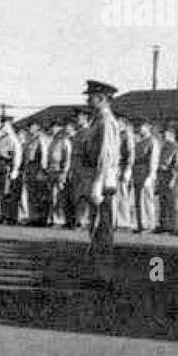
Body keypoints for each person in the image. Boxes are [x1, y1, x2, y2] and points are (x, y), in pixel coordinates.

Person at [81, 81, 122, 268]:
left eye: (91, 96)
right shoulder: (97, 120)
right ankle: (97, 268)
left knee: (101, 226)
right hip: (96, 177)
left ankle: (103, 271)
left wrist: (97, 183)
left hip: (103, 181)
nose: (88, 100)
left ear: (101, 98)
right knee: (95, 225)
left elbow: (105, 155)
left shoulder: (105, 121)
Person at [132, 120, 161, 233]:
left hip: (146, 173)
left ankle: (149, 224)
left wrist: (151, 175)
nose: (139, 128)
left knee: (147, 199)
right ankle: (141, 224)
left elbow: (153, 160)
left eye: (141, 126)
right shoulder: (139, 142)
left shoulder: (152, 141)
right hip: (137, 172)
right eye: (138, 126)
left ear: (148, 127)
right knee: (139, 200)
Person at [0, 115, 22, 224]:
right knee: (2, 193)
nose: (3, 126)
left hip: (9, 167)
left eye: (5, 124)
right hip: (2, 167)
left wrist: (15, 168)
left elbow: (17, 154)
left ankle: (11, 216)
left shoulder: (13, 139)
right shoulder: (1, 137)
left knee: (10, 193)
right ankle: (3, 214)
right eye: (3, 124)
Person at [20, 121, 48, 225]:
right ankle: (32, 217)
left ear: (37, 127)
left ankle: (40, 218)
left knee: (38, 194)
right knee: (30, 194)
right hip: (29, 168)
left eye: (32, 126)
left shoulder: (40, 139)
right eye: (29, 127)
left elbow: (44, 154)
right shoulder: (29, 139)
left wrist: (43, 169)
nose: (30, 129)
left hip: (37, 167)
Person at [46, 119, 74, 227]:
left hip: (60, 171)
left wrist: (64, 172)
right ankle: (53, 218)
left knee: (59, 197)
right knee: (52, 196)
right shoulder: (53, 141)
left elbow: (67, 159)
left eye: (55, 127)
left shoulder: (64, 141)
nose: (53, 129)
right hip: (52, 170)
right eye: (52, 127)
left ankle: (60, 219)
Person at [113, 116, 136, 230]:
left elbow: (130, 154)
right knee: (116, 195)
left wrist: (127, 170)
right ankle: (117, 220)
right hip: (116, 168)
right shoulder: (117, 135)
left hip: (122, 167)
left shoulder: (127, 135)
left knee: (122, 195)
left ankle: (124, 221)